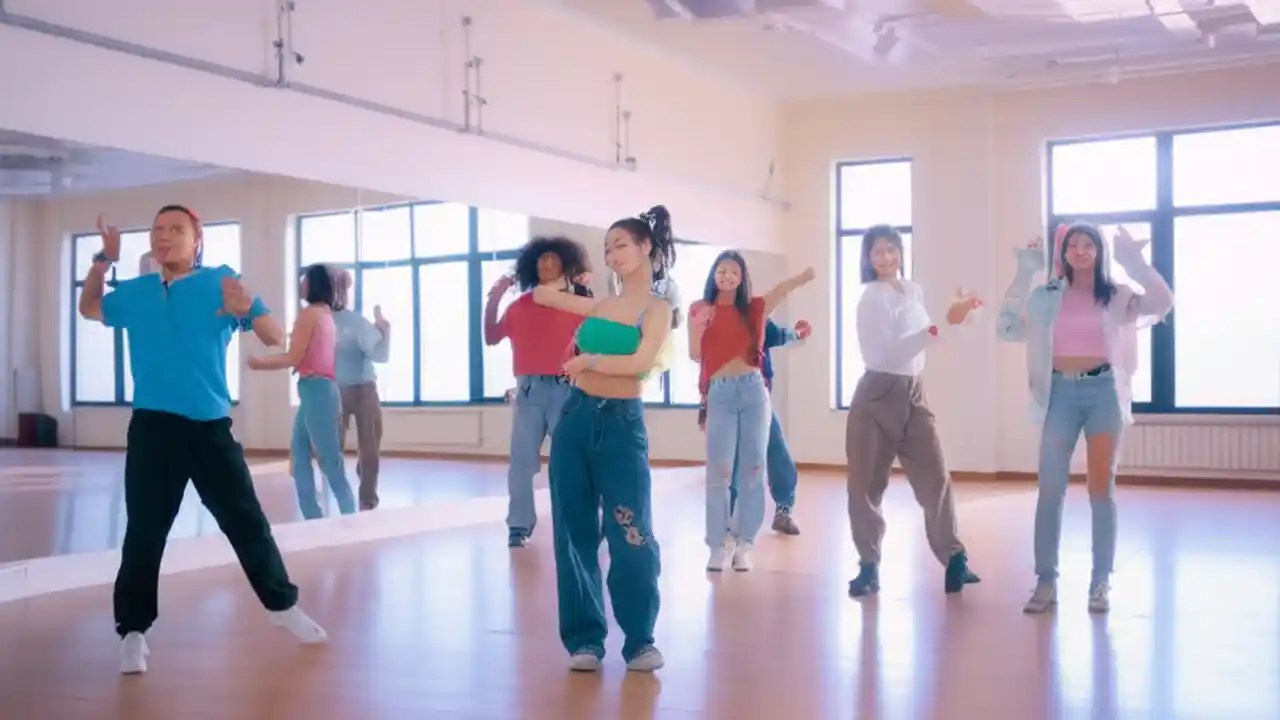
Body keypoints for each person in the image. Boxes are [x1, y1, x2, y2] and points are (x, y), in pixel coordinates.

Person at [79, 205, 326, 675]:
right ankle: (132, 632)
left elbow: (276, 337)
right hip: (152, 429)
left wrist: (246, 310)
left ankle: (282, 607)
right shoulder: (137, 291)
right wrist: (101, 261)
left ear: (198, 241)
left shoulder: (221, 281)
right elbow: (89, 307)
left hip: (209, 429)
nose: (164, 236)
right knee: (145, 531)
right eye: (157, 229)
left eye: (177, 229)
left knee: (246, 522)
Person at [532, 205, 678, 673]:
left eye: (621, 244)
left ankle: (639, 640)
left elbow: (639, 362)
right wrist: (564, 274)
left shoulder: (657, 308)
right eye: (607, 248)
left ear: (645, 248)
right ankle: (585, 641)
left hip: (620, 423)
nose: (613, 254)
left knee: (631, 531)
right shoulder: (599, 303)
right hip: (575, 419)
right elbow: (542, 296)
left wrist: (587, 361)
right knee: (573, 531)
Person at [997, 223, 1172, 614]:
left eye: (1087, 243)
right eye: (1072, 244)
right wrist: (1024, 272)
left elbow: (1162, 303)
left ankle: (1100, 582)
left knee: (1100, 490)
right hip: (1058, 395)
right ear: (1062, 254)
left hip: (1103, 395)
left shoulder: (1117, 295)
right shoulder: (1045, 297)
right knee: (1050, 491)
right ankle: (1045, 581)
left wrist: (1136, 263)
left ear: (1098, 250)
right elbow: (1006, 328)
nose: (1079, 249)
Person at [845, 224, 983, 598]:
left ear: (901, 253)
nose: (887, 257)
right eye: (878, 252)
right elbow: (884, 355)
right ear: (867, 259)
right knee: (866, 486)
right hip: (877, 393)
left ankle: (955, 559)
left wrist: (959, 318)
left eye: (892, 249)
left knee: (936, 478)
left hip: (913, 391)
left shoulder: (913, 290)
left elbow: (929, 342)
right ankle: (868, 566)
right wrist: (935, 330)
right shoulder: (870, 298)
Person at [688, 252, 815, 572]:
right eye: (722, 270)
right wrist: (698, 327)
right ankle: (717, 545)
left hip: (753, 390)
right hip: (720, 393)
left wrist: (802, 278)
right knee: (719, 471)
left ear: (742, 278)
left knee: (754, 469)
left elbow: (780, 290)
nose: (727, 275)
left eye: (734, 271)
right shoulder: (700, 309)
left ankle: (744, 544)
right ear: (713, 275)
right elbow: (693, 354)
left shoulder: (755, 308)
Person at [483, 236, 591, 547]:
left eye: (552, 259)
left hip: (567, 388)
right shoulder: (519, 306)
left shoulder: (574, 303)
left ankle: (573, 524)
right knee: (521, 463)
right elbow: (491, 337)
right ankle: (518, 526)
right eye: (540, 260)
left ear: (565, 265)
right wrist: (494, 299)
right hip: (528, 390)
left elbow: (596, 339)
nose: (545, 264)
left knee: (569, 463)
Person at [248, 264, 356, 520]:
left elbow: (293, 357)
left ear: (314, 284)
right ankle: (312, 514)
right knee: (299, 453)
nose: (301, 283)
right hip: (315, 389)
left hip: (317, 390)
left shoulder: (310, 315)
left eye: (305, 279)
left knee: (329, 458)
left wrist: (257, 363)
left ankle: (351, 515)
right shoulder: (325, 314)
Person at [728, 317, 812, 536]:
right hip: (729, 399)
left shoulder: (758, 318)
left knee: (777, 450)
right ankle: (730, 517)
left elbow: (779, 334)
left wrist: (798, 333)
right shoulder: (715, 319)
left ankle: (783, 511)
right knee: (736, 460)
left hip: (758, 399)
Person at [329, 268, 390, 511]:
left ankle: (367, 497)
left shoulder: (355, 323)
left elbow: (380, 355)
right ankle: (347, 494)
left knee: (370, 445)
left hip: (363, 389)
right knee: (334, 447)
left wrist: (384, 330)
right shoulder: (317, 321)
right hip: (335, 391)